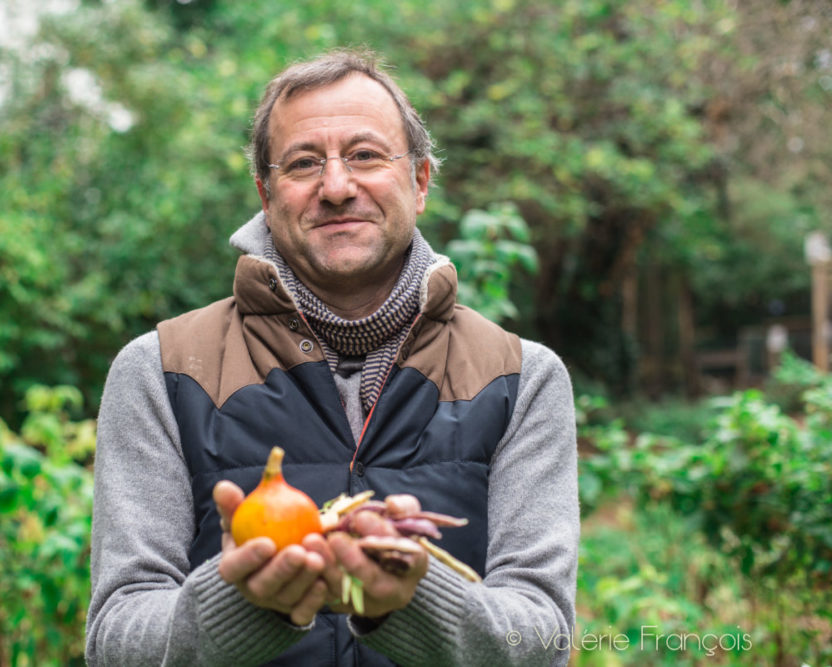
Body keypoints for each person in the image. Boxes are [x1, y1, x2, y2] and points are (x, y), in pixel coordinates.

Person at [85, 49, 579, 666]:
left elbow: (543, 639)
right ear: (266, 195)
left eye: (366, 155)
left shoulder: (521, 379)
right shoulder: (160, 371)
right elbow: (115, 638)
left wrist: (411, 597)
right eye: (303, 164)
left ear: (420, 181)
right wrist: (242, 605)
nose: (337, 187)